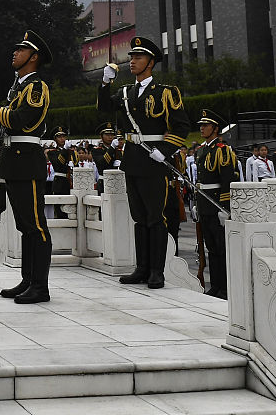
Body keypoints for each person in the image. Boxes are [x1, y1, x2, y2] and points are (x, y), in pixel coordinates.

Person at [96, 36, 190, 290]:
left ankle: (156, 271)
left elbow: (181, 126)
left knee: (155, 217)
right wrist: (105, 82)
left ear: (150, 62)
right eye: (132, 57)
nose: (133, 61)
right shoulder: (125, 92)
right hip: (133, 159)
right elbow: (104, 108)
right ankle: (142, 267)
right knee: (138, 216)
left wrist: (166, 150)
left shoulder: (166, 93)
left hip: (154, 159)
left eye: (138, 57)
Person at [0, 30, 55, 304]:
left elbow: (21, 120)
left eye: (21, 50)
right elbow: (6, 121)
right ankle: (28, 279)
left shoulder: (36, 87)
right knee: (24, 225)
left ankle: (40, 286)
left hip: (27, 158)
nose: (14, 53)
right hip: (13, 160)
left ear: (34, 57)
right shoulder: (18, 87)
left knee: (36, 226)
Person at [193, 108, 235, 299]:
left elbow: (226, 179)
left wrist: (224, 207)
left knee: (221, 248)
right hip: (204, 203)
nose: (202, 128)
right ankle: (216, 285)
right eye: (201, 125)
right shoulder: (201, 150)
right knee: (210, 248)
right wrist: (196, 203)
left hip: (216, 203)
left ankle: (225, 287)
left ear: (215, 128)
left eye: (206, 125)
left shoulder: (222, 150)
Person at [44, 127, 73, 219]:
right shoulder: (52, 152)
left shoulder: (70, 151)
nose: (62, 139)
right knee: (61, 211)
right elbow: (58, 164)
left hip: (70, 181)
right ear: (55, 139)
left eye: (64, 136)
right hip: (60, 182)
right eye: (59, 137)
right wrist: (64, 150)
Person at [92, 121, 119, 194]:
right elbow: (102, 162)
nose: (110, 137)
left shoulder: (118, 150)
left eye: (112, 134)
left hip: (118, 183)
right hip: (104, 183)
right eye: (107, 135)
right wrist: (112, 148)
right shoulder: (96, 150)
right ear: (101, 136)